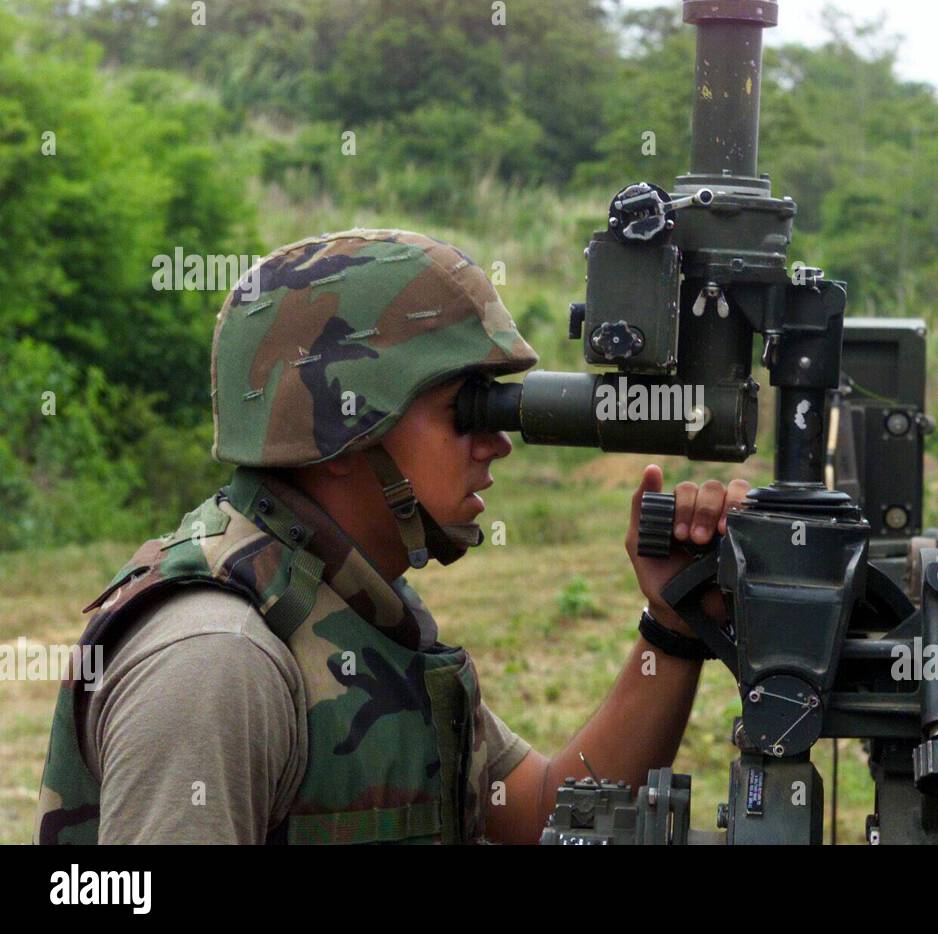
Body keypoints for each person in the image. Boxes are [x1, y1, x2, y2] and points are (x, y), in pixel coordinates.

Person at [34, 228, 748, 844]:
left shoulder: (343, 608)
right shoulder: (220, 662)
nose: (496, 443)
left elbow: (543, 815)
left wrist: (673, 626)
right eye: (463, 409)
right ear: (346, 428)